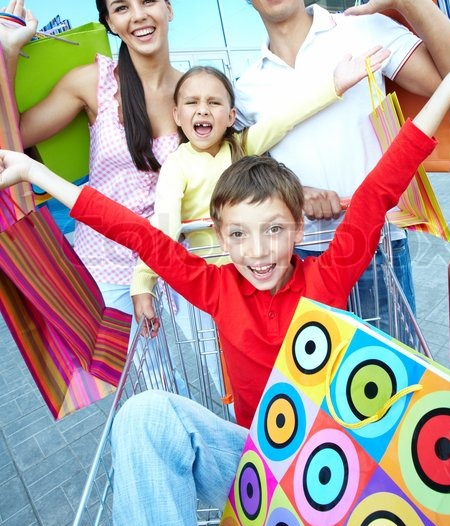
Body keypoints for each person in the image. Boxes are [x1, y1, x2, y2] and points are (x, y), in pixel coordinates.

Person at [0, 57, 450, 526]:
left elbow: (382, 185)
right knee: (144, 415)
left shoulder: (325, 280)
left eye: (275, 229)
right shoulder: (214, 286)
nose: (258, 252)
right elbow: (135, 231)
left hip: (338, 480)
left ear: (299, 230)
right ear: (220, 237)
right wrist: (35, 171)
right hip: (255, 471)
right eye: (239, 235)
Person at [226, 0, 450, 324]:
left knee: (392, 383)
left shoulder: (361, 28)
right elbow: (254, 173)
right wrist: (297, 193)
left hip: (375, 251)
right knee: (316, 389)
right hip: (295, 263)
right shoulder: (245, 87)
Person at [130, 47, 390, 331]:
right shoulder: (176, 165)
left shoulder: (242, 146)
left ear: (231, 117)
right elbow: (165, 223)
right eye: (192, 102)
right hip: (219, 287)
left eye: (214, 102)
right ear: (177, 115)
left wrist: (335, 84)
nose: (203, 109)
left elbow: (283, 118)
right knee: (228, 365)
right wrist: (143, 279)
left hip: (263, 274)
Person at [0, 0, 181, 327]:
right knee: (134, 382)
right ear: (111, 23)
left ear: (168, 8)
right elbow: (10, 136)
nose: (138, 15)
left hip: (175, 261)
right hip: (104, 271)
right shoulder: (92, 83)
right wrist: (10, 51)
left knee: (217, 372)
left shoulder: (197, 92)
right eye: (121, 7)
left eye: (148, 0)